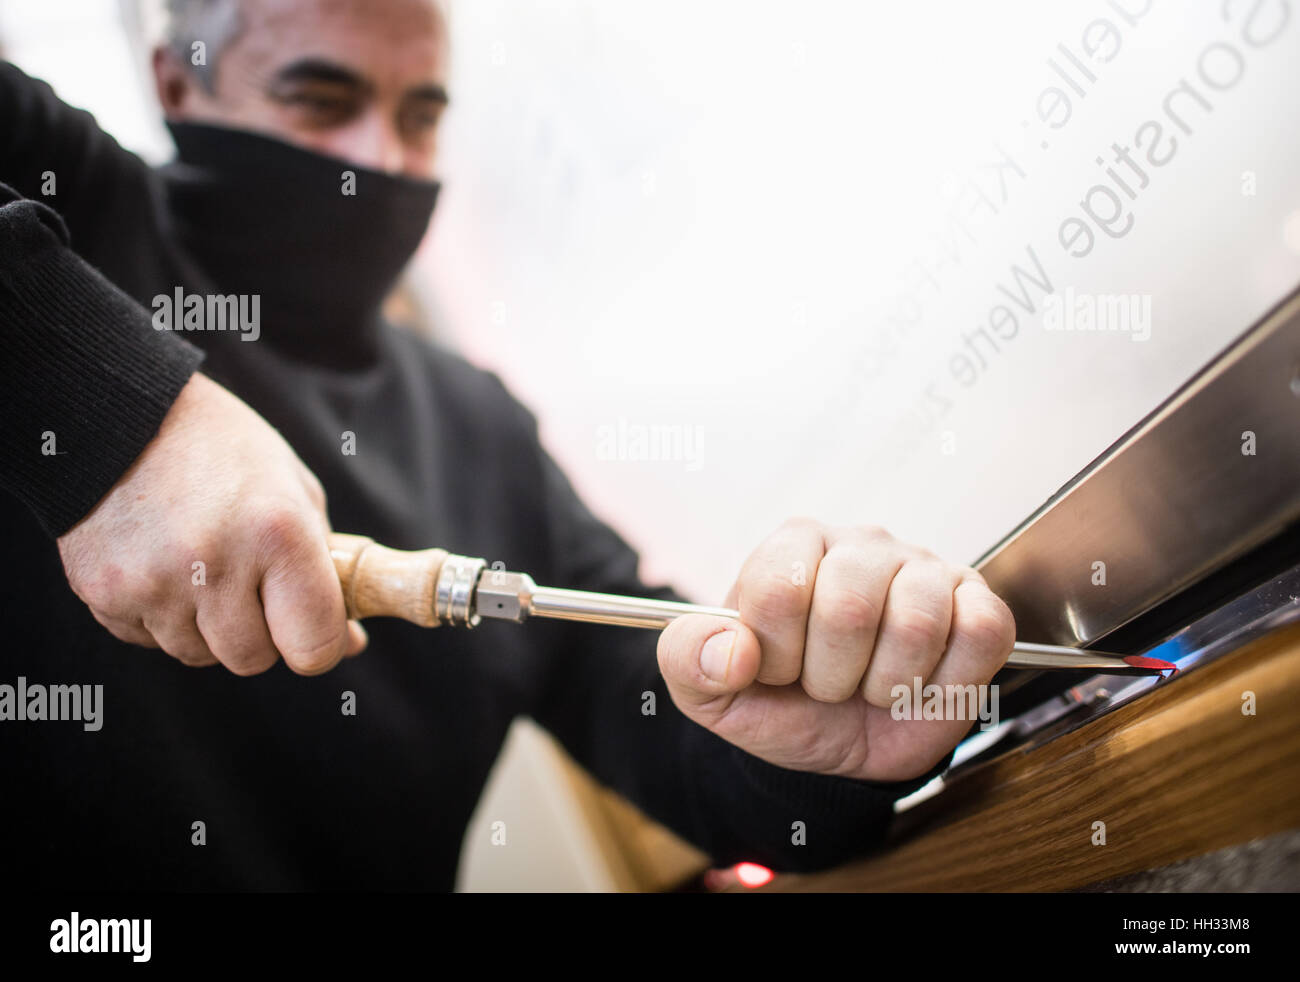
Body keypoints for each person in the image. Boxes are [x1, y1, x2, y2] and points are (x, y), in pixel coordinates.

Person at [0, 0, 1015, 889]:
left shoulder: (478, 427)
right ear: (179, 80)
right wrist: (105, 410)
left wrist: (819, 751)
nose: (378, 162)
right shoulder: (81, 207)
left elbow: (651, 711)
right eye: (319, 98)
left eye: (419, 116)